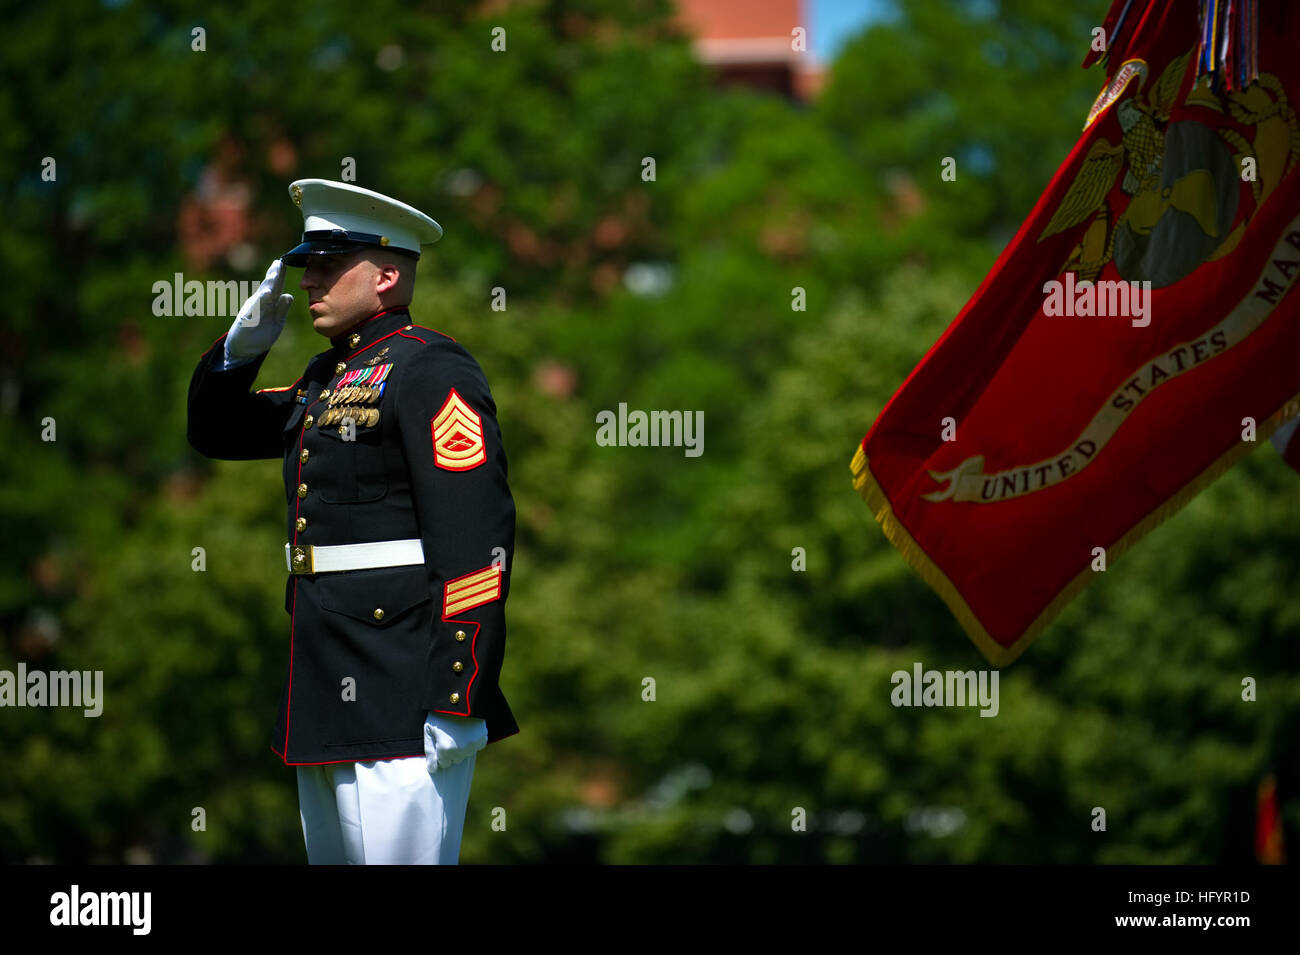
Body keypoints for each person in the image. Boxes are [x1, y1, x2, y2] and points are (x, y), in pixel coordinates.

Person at [186, 179, 518, 864]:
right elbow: (215, 429)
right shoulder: (328, 377)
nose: (310, 280)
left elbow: (474, 538)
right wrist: (237, 354)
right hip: (325, 674)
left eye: (330, 265)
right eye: (309, 263)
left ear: (387, 274)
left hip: (402, 683)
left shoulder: (430, 368)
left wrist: (460, 691)